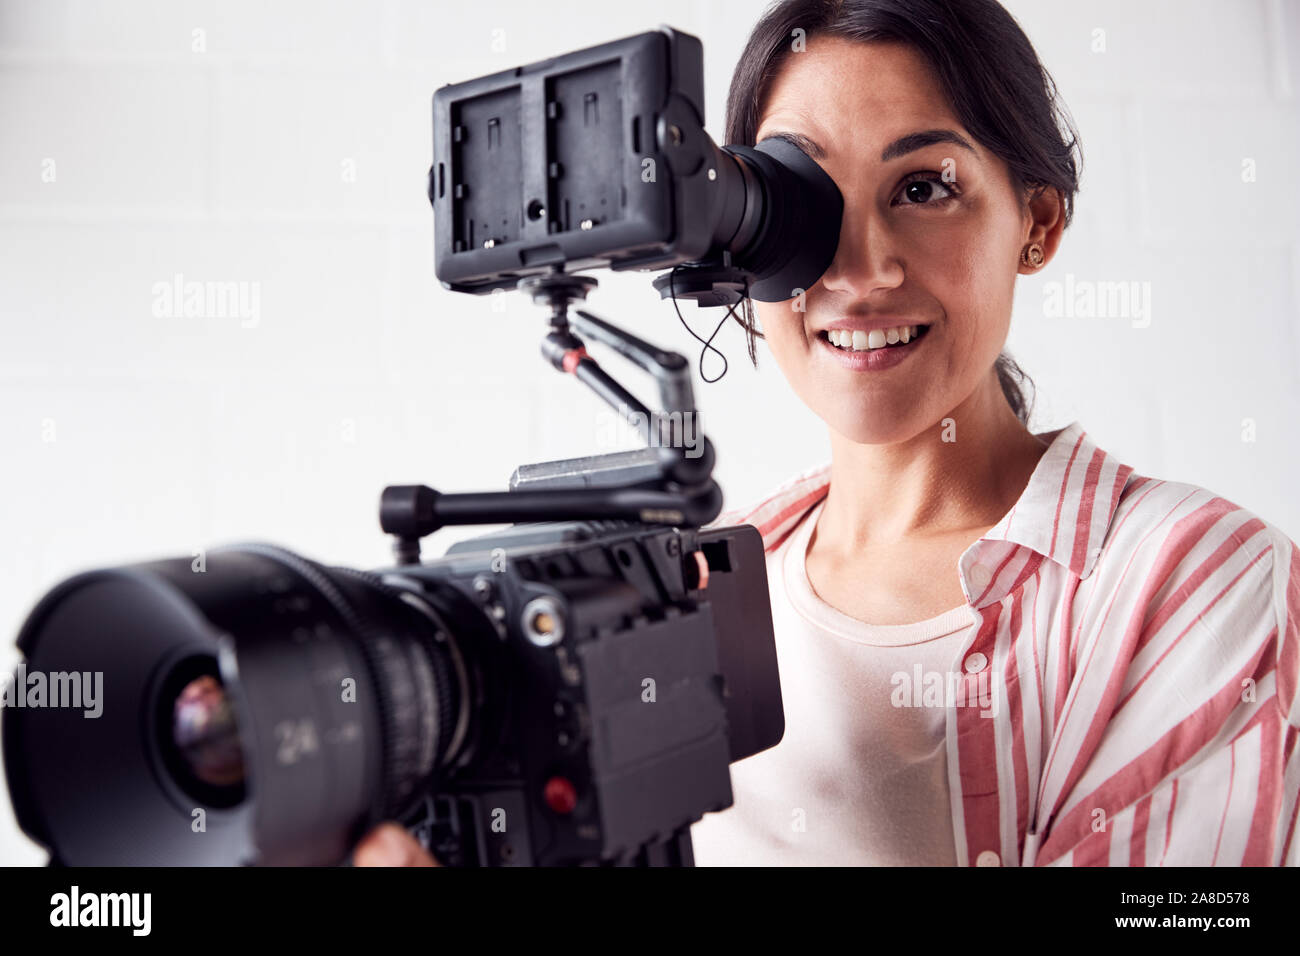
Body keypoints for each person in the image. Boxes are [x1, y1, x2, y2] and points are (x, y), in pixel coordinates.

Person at [358, 0, 1300, 867]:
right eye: (800, 199)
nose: (861, 268)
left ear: (1038, 222)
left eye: (924, 187)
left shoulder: (1192, 586)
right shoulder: (691, 584)